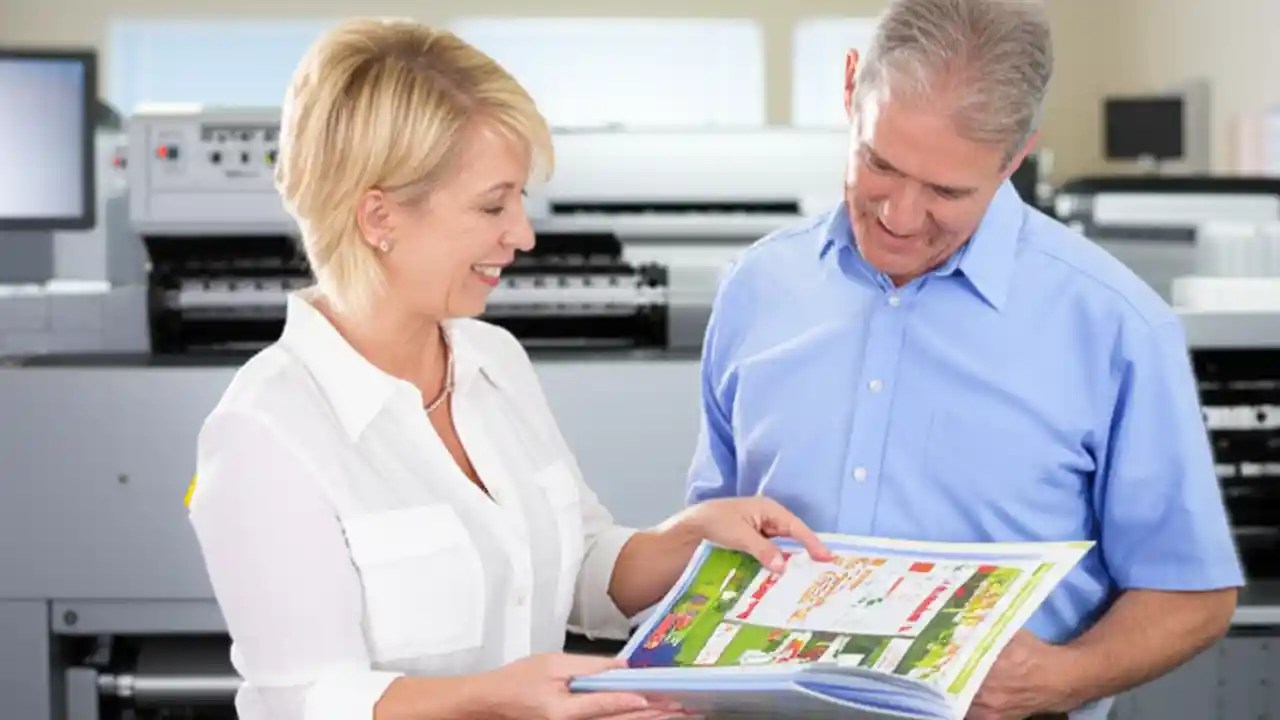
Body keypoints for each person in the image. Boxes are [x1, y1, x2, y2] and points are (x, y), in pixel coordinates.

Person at [186, 18, 834, 720]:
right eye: (493, 204)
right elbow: (305, 701)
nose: (522, 234)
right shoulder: (266, 431)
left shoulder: (492, 361)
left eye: (520, 200)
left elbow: (579, 566)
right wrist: (497, 703)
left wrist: (684, 542)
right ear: (379, 217)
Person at [684, 1, 1243, 719]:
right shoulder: (757, 287)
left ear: (1016, 156)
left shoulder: (1117, 326)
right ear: (851, 87)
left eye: (947, 192)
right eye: (878, 164)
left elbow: (1192, 595)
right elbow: (713, 533)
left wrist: (1062, 677)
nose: (900, 217)